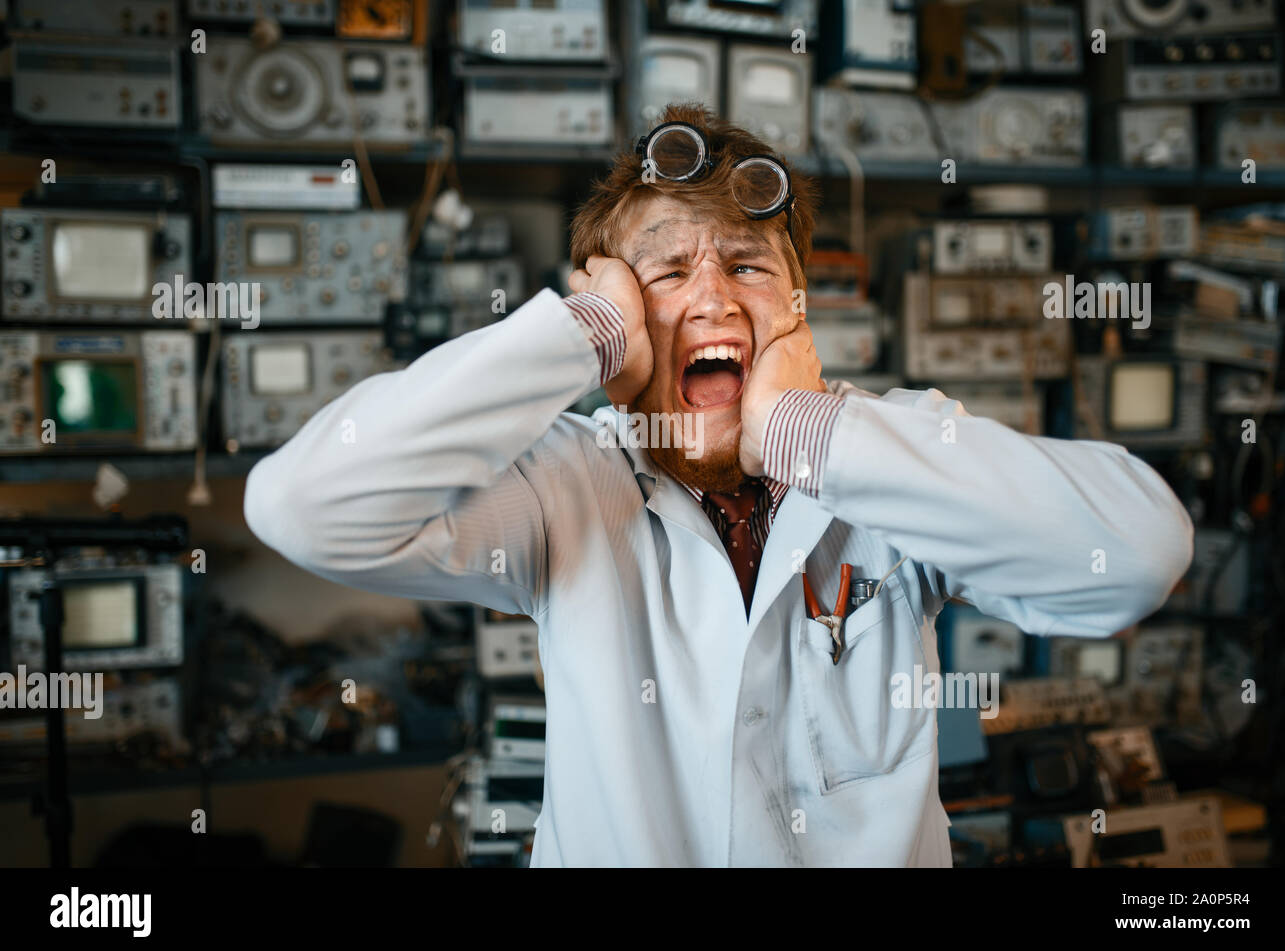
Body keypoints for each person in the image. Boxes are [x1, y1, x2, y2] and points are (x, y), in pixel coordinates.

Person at [244, 103, 1194, 866]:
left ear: (798, 309)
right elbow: (306, 505)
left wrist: (802, 432)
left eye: (748, 265)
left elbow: (1138, 554)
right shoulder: (565, 485)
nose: (711, 297)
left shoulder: (889, 456)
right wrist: (586, 334)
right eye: (662, 274)